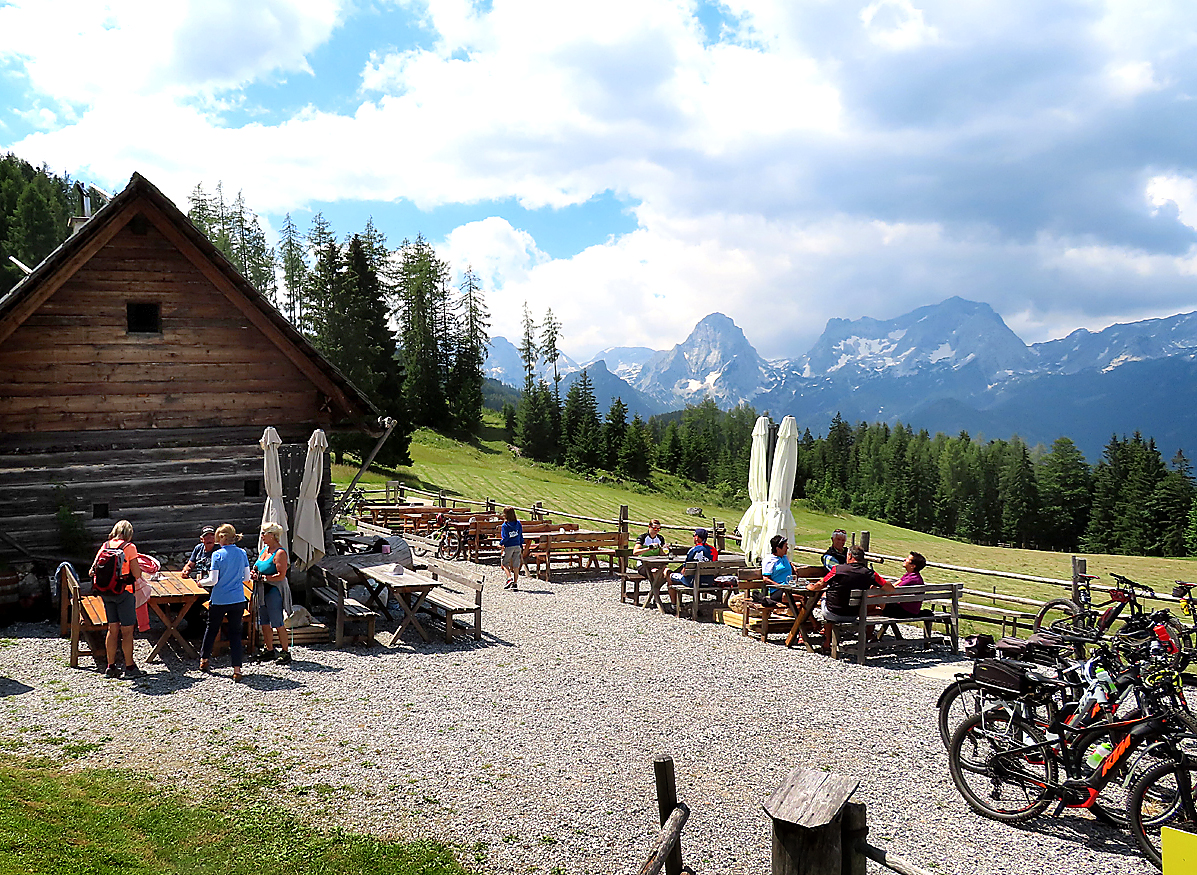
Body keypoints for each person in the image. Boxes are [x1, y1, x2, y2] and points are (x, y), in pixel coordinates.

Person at [91, 520, 144, 679]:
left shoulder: (105, 546)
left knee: (112, 630)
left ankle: (111, 666)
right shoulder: (129, 547)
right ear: (129, 533)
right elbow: (137, 574)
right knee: (127, 631)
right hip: (124, 592)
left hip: (107, 593)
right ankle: (129, 667)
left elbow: (92, 570)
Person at [200, 524, 251, 682]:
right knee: (235, 634)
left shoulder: (217, 555)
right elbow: (246, 577)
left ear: (221, 538)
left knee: (212, 628)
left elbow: (213, 580)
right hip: (237, 599)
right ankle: (237, 669)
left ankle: (204, 659)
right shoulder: (242, 553)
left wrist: (201, 582)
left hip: (220, 599)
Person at [819, 544, 894, 624]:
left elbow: (820, 585)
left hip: (833, 613)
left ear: (850, 556)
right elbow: (890, 588)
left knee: (824, 595)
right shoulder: (869, 574)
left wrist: (810, 587)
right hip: (854, 615)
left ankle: (826, 635)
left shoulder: (838, 569)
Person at [253, 522, 291, 665]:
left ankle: (285, 651)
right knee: (264, 621)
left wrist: (263, 578)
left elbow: (281, 575)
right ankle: (269, 649)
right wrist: (255, 573)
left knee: (277, 622)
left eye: (264, 533)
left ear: (273, 535)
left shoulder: (280, 553)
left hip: (274, 590)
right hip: (263, 590)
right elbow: (258, 566)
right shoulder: (264, 551)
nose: (262, 536)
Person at [667, 528, 715, 614]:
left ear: (696, 538)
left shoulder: (693, 550)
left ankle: (674, 605)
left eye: (694, 536)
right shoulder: (713, 550)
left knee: (668, 574)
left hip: (692, 582)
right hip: (708, 581)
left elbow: (684, 571)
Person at [882, 551, 932, 619]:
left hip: (905, 612)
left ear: (913, 566)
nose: (905, 560)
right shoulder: (909, 575)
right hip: (907, 610)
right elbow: (894, 586)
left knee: (875, 599)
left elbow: (892, 592)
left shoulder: (912, 579)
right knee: (873, 609)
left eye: (908, 559)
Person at [762, 534, 794, 599]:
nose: (787, 548)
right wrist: (779, 586)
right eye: (785, 546)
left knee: (800, 603)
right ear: (778, 548)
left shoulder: (785, 557)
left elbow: (787, 565)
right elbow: (765, 579)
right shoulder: (769, 560)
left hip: (790, 588)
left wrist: (793, 566)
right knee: (802, 598)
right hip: (777, 591)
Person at [500, 507, 524, 591]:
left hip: (509, 546)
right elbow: (520, 535)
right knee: (516, 565)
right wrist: (521, 544)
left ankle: (509, 578)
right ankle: (515, 583)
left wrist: (501, 543)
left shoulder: (505, 525)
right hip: (517, 545)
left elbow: (505, 537)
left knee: (505, 563)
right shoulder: (518, 523)